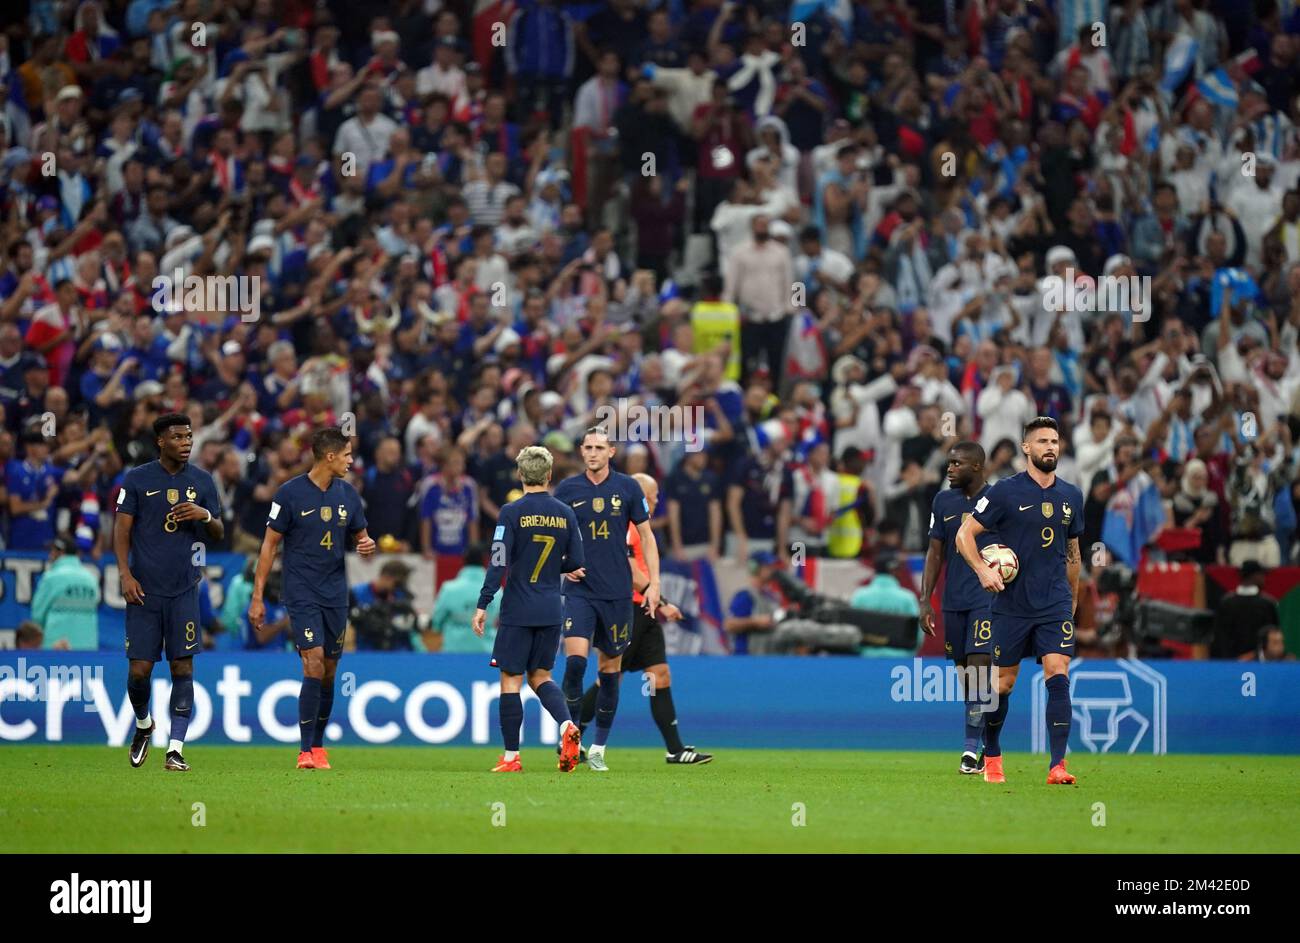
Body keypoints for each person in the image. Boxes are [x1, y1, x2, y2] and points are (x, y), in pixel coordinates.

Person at [956, 416, 1084, 785]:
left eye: (1054, 441)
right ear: (1026, 448)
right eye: (1042, 441)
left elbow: (1073, 554)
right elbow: (964, 535)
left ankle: (1057, 766)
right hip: (1011, 604)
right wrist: (983, 570)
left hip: (1054, 602)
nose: (1050, 447)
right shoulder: (1003, 492)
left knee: (1058, 670)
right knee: (1003, 684)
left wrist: (1072, 601)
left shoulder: (1071, 496)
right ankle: (993, 755)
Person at [248, 427, 376, 771]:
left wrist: (367, 546)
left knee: (330, 671)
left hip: (335, 593)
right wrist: (257, 597)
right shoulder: (289, 494)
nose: (351, 460)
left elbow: (363, 541)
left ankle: (318, 746)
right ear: (329, 456)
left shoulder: (349, 495)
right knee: (313, 662)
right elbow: (269, 546)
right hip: (301, 592)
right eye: (346, 455)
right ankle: (305, 751)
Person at [576, 472, 713, 765]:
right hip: (625, 609)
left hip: (644, 611)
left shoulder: (641, 525)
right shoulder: (625, 525)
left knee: (659, 674)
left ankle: (675, 750)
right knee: (609, 679)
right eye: (653, 495)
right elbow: (630, 572)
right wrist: (662, 602)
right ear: (640, 496)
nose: (656, 500)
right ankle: (570, 738)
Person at [114, 413, 224, 772]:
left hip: (184, 589)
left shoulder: (202, 481)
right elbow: (122, 529)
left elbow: (219, 532)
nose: (186, 442)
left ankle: (175, 749)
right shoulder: (137, 479)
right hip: (144, 590)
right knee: (139, 671)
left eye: (189, 436)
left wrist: (204, 515)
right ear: (161, 441)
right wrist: (125, 574)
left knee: (182, 666)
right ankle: (144, 724)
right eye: (178, 437)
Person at [472, 446, 585, 773]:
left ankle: (511, 757)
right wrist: (552, 567)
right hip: (551, 608)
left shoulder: (510, 512)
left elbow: (498, 560)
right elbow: (577, 561)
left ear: (520, 474)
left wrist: (483, 603)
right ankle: (567, 725)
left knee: (511, 679)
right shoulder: (565, 513)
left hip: (518, 609)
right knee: (541, 677)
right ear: (549, 475)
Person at [554, 426, 659, 772]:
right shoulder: (567, 490)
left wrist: (654, 584)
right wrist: (562, 564)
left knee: (610, 671)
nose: (593, 453)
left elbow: (646, 537)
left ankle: (598, 748)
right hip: (580, 591)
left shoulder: (628, 488)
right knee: (575, 663)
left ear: (611, 452)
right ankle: (571, 736)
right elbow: (553, 535)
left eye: (600, 448)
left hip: (616, 594)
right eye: (588, 448)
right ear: (581, 451)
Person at [919, 441, 995, 774]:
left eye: (956, 463)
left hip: (986, 598)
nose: (949, 468)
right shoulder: (943, 501)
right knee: (967, 677)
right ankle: (987, 743)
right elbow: (935, 552)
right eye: (949, 463)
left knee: (979, 668)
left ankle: (969, 751)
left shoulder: (999, 499)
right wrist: (925, 599)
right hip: (954, 600)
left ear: (976, 466)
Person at [31, 535, 101, 650]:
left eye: (52, 550)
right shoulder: (91, 578)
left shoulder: (51, 578)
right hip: (88, 647)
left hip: (57, 647)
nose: (50, 555)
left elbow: (37, 615)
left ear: (61, 552)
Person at [429, 542, 500, 653]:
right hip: (487, 651)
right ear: (484, 561)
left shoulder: (449, 589)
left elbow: (436, 621)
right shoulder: (498, 591)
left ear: (464, 560)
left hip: (454, 651)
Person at [1212, 561, 1279, 659]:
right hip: (1259, 664)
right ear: (1254, 576)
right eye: (1262, 575)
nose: (1264, 578)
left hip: (1229, 663)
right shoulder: (1267, 604)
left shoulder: (1226, 603)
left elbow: (1219, 639)